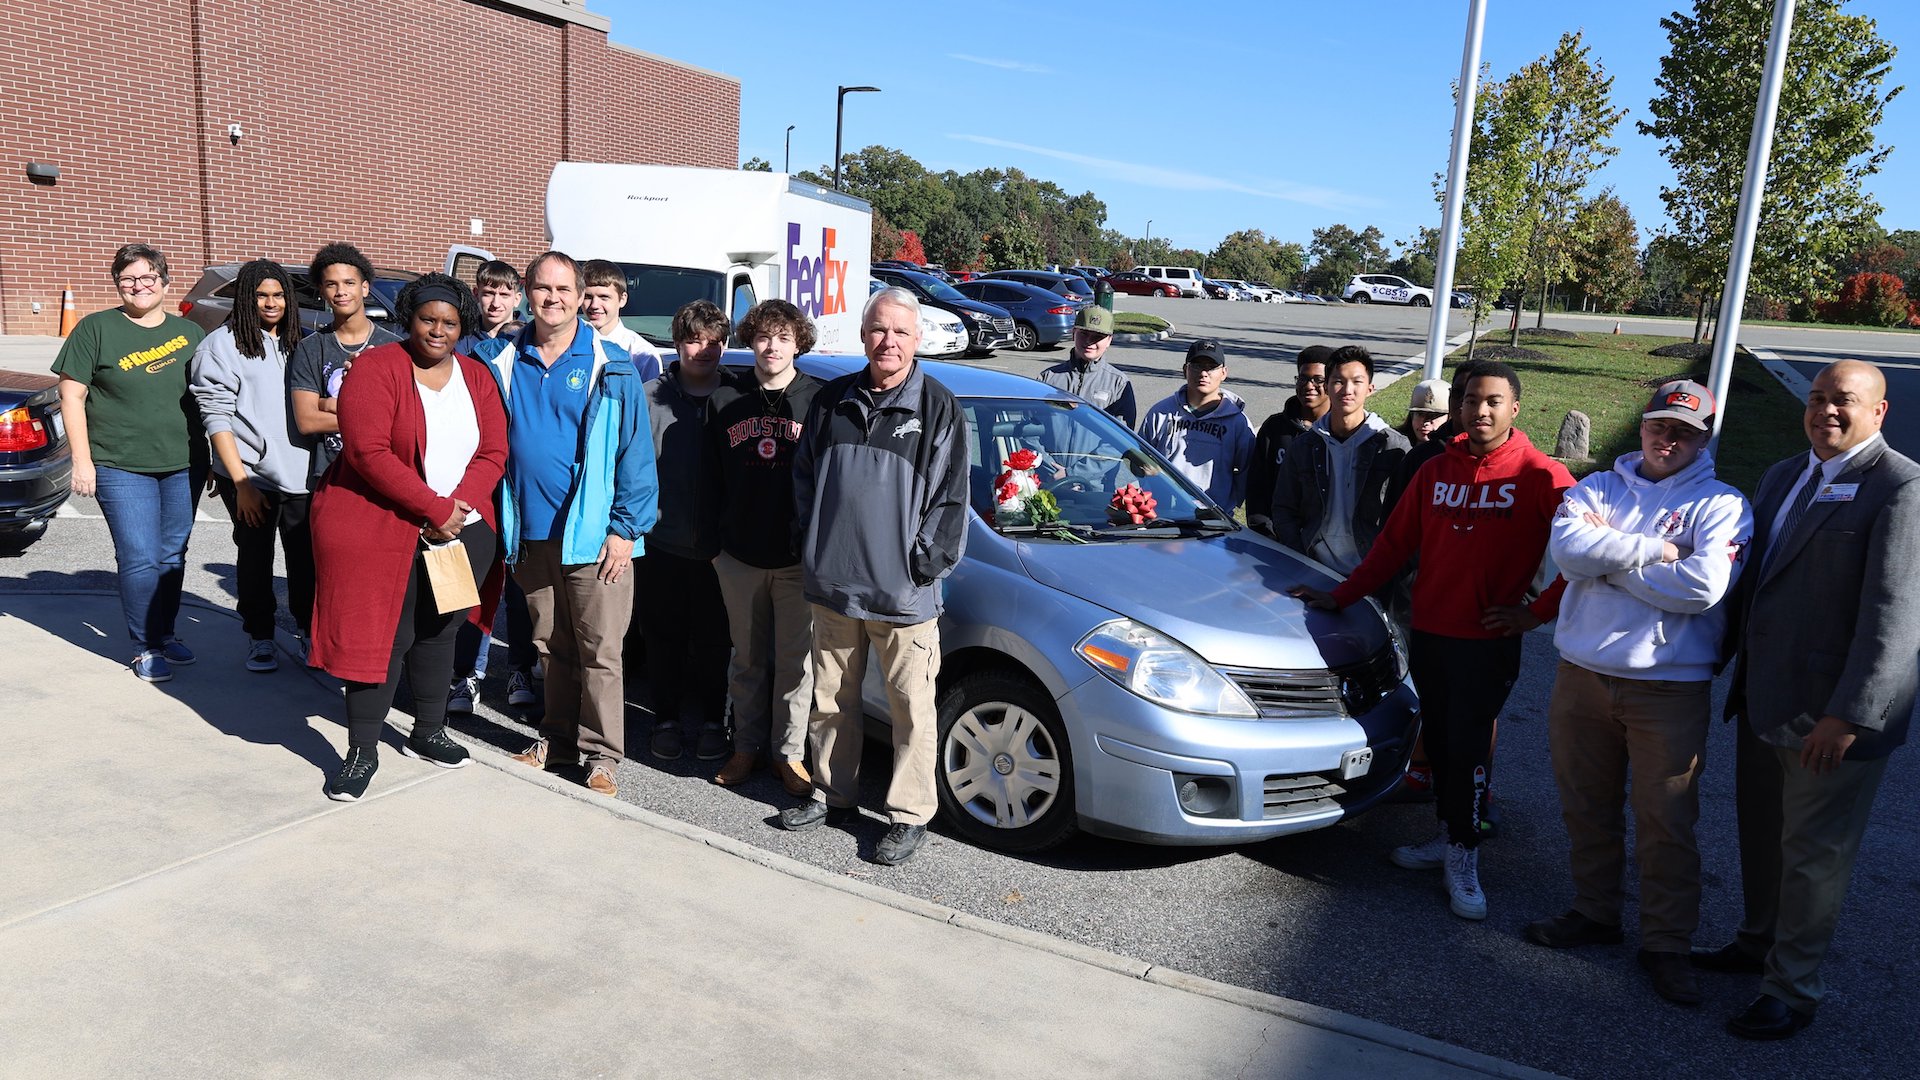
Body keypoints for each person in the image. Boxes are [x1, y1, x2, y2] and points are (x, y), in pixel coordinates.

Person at [1292, 361, 1572, 921]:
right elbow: (1393, 546)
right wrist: (1343, 595)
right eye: (1471, 400)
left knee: (1467, 748)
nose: (1481, 410)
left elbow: (1583, 555)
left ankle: (1465, 854)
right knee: (1440, 741)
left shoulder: (1542, 475)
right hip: (1431, 632)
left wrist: (1535, 614)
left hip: (1487, 641)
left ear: (1515, 408)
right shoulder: (1436, 470)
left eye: (1494, 401)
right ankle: (1448, 837)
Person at [1694, 360, 1920, 1041]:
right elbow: (1756, 581)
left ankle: (1792, 989)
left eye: (1843, 401)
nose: (1826, 410)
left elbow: (1896, 617)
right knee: (1763, 837)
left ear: (1878, 413)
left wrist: (1849, 714)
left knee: (1814, 854)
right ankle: (1757, 941)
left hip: (1832, 718)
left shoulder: (1900, 487)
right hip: (1766, 701)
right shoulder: (1784, 475)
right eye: (1817, 398)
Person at [1527, 380, 1753, 1008]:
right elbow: (1568, 554)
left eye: (1683, 429)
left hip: (1668, 689)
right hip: (1581, 679)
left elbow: (1702, 589)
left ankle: (1667, 945)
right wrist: (1658, 551)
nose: (1666, 438)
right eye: (1659, 424)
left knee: (1666, 822)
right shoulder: (1597, 488)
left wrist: (1611, 560)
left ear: (1705, 437)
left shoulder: (1723, 504)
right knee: (1586, 806)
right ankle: (1595, 913)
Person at [777, 286, 968, 867]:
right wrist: (816, 546)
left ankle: (908, 816)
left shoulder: (937, 407)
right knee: (832, 699)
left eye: (901, 333)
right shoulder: (832, 401)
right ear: (864, 336)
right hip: (835, 586)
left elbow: (951, 500)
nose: (889, 341)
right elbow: (804, 480)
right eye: (879, 330)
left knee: (913, 708)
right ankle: (833, 794)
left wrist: (918, 566)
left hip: (903, 595)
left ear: (917, 341)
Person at [308, 274, 508, 802]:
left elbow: (493, 451)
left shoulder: (477, 377)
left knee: (441, 631)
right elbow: (367, 452)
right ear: (408, 319)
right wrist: (433, 508)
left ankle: (428, 731)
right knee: (384, 637)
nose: (437, 331)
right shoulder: (376, 369)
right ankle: (362, 751)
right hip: (383, 526)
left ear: (463, 327)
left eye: (449, 323)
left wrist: (457, 509)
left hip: (461, 528)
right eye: (427, 320)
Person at [481, 252, 659, 799]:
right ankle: (556, 743)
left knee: (599, 651)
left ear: (581, 295)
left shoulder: (613, 366)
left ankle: (602, 755)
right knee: (549, 645)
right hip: (529, 534)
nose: (552, 298)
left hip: (596, 538)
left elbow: (636, 456)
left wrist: (625, 531)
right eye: (542, 287)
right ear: (525, 293)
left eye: (563, 288)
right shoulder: (502, 359)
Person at [53, 243, 207, 682]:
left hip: (184, 462)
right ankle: (146, 646)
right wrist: (81, 461)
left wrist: (215, 457)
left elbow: (209, 398)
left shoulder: (191, 334)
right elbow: (72, 395)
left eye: (147, 278)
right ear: (117, 285)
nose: (138, 286)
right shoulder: (96, 328)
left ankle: (165, 631)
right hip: (119, 463)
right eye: (128, 280)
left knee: (172, 555)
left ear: (164, 281)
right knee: (139, 556)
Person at [710, 299, 822, 795]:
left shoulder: (819, 400)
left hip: (798, 559)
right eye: (762, 336)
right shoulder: (724, 400)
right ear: (750, 341)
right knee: (748, 658)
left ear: (798, 341)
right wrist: (716, 546)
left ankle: (790, 755)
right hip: (739, 555)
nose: (771, 346)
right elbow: (708, 478)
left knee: (797, 663)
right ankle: (747, 746)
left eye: (782, 337)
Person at [190, 259, 314, 671]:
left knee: (305, 560)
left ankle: (308, 631)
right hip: (250, 477)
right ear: (246, 297)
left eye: (279, 295)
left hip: (301, 473)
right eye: (261, 294)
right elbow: (215, 417)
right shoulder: (220, 346)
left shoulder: (303, 341)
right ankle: (260, 635)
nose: (271, 302)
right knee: (256, 558)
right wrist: (240, 481)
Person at [636, 300, 730, 762]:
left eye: (714, 340)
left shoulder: (736, 397)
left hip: (721, 549)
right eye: (694, 339)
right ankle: (665, 718)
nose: (704, 349)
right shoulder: (650, 395)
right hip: (662, 543)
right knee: (664, 637)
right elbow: (633, 468)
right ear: (677, 342)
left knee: (716, 640)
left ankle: (715, 720)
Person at [446, 256, 539, 715]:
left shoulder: (528, 346)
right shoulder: (460, 347)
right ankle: (466, 675)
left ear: (518, 297)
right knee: (473, 580)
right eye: (488, 292)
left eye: (506, 293)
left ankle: (520, 667)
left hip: (518, 480)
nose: (496, 301)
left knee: (520, 581)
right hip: (474, 477)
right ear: (476, 295)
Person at [1269, 345, 1409, 580]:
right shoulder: (1304, 446)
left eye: (1357, 382)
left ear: (1370, 388)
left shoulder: (1394, 447)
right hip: (1313, 566)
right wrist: (1298, 555)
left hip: (1371, 573)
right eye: (1338, 381)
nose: (1347, 390)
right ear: (1327, 386)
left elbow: (1406, 521)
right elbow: (1283, 508)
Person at [290, 243, 402, 490]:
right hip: (331, 476)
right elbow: (307, 421)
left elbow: (403, 416)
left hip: (386, 473)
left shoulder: (394, 347)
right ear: (322, 290)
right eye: (332, 284)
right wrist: (372, 418)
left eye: (349, 283)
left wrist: (327, 404)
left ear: (365, 287)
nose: (341, 291)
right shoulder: (310, 348)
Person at [1137, 339, 1256, 514]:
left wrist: (1230, 504)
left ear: (1223, 373)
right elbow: (1140, 458)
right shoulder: (1161, 413)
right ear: (1185, 369)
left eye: (1211, 366)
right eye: (1197, 365)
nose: (1203, 373)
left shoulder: (1238, 422)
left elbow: (1247, 469)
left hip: (1214, 515)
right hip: (1163, 511)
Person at [1246, 345, 1332, 535]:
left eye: (1318, 380)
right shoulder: (1274, 428)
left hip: (1325, 542)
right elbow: (1257, 488)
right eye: (1303, 378)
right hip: (1277, 539)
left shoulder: (1340, 431)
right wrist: (1266, 532)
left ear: (1332, 383)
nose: (1309, 386)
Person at [1038, 306, 1135, 424]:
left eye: (1097, 337)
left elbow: (1123, 436)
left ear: (1109, 340)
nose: (1089, 341)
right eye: (1084, 334)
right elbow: (1031, 424)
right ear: (1074, 333)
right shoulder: (1048, 378)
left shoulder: (1118, 384)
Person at [579, 259, 663, 382]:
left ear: (622, 299)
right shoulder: (569, 344)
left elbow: (646, 400)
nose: (594, 305)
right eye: (588, 297)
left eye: (604, 297)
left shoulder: (642, 355)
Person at [455, 259, 523, 356]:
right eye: (489, 294)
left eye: (504, 295)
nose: (496, 304)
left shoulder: (531, 338)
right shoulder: (461, 337)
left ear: (517, 299)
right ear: (476, 294)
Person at [1399, 377, 1451, 447]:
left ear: (1449, 417)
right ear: (1411, 416)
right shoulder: (1395, 445)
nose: (1425, 423)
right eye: (1420, 414)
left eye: (1433, 416)